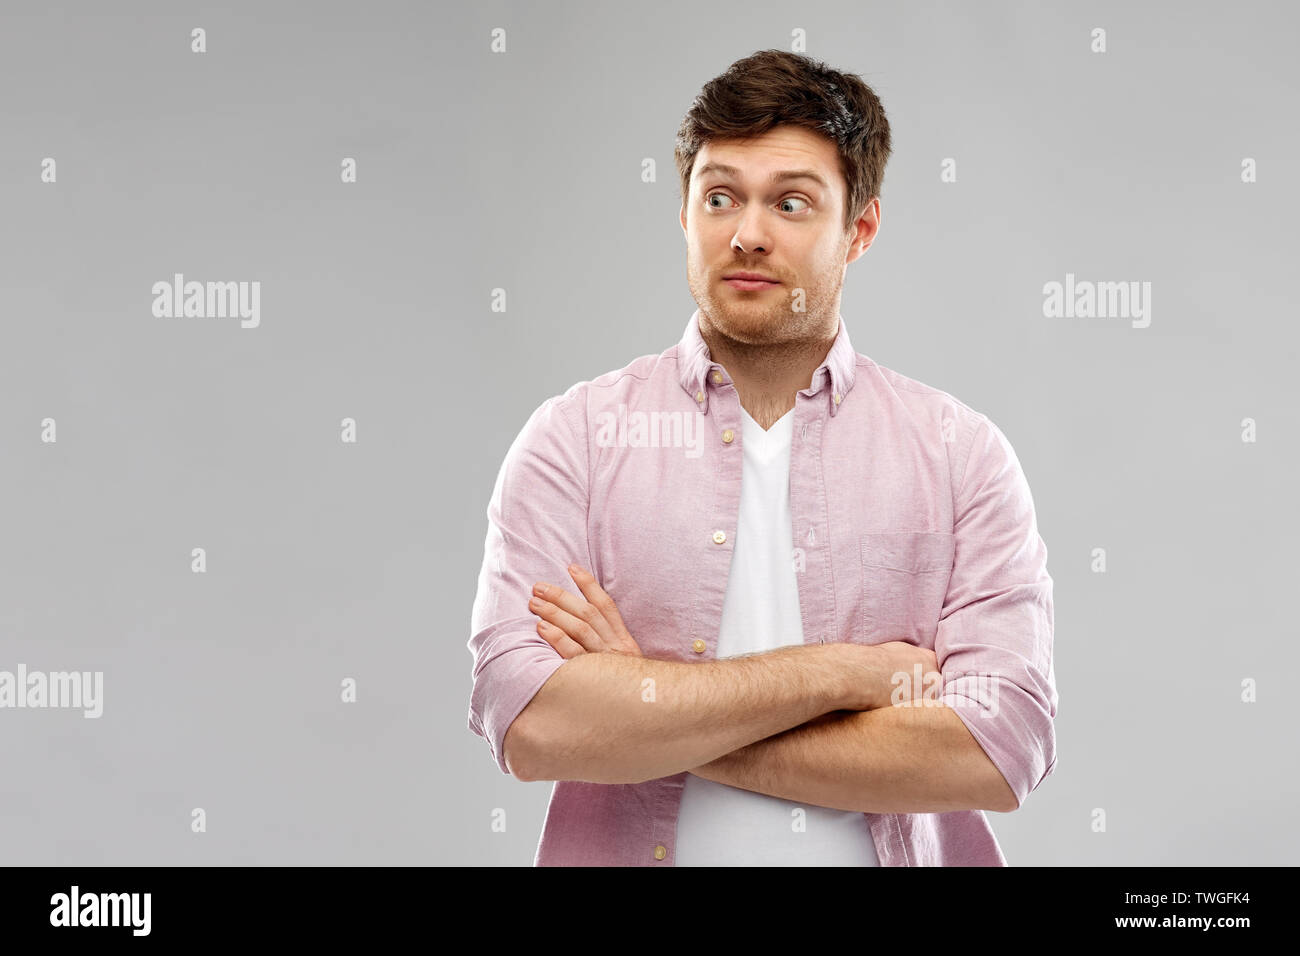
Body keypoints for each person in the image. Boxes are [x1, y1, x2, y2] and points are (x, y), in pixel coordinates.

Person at [466, 49, 1057, 866]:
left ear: (860, 229)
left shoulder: (961, 455)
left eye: (790, 202)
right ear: (684, 214)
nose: (746, 233)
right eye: (719, 198)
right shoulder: (576, 440)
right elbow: (532, 725)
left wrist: (644, 705)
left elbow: (998, 747)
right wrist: (844, 676)